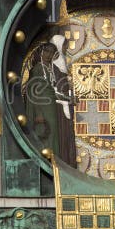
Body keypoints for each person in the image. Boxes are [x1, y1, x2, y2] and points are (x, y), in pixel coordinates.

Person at [24, 35, 76, 166]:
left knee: (53, 134)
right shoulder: (38, 69)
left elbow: (52, 91)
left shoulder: (51, 69)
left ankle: (53, 159)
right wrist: (39, 113)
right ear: (41, 53)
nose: (49, 54)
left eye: (52, 52)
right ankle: (45, 161)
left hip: (51, 104)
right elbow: (35, 91)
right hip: (42, 105)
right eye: (46, 51)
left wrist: (68, 98)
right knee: (45, 132)